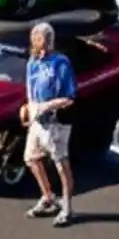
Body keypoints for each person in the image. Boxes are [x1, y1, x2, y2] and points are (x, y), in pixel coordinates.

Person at [22, 22, 77, 228]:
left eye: (41, 37)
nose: (37, 41)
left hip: (56, 121)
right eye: (35, 37)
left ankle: (67, 208)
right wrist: (30, 111)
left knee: (61, 163)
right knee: (31, 158)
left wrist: (46, 106)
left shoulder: (60, 63)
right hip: (37, 120)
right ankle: (48, 198)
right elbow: (29, 90)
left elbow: (69, 97)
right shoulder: (32, 63)